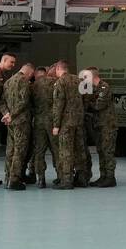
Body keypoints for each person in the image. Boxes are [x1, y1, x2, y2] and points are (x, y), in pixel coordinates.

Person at [49, 61, 84, 190]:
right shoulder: (78, 80)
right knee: (80, 149)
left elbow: (58, 105)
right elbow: (85, 99)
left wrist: (56, 125)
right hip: (79, 121)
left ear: (58, 68)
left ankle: (67, 180)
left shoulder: (60, 82)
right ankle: (82, 178)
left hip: (66, 123)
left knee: (66, 151)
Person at [1, 62, 35, 190]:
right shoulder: (24, 82)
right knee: (20, 150)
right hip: (21, 121)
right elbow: (24, 101)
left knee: (10, 149)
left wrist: (6, 114)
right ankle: (15, 180)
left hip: (10, 122)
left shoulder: (8, 82)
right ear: (30, 73)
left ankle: (8, 176)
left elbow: (2, 101)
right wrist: (13, 115)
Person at [86, 67, 118, 188]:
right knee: (101, 151)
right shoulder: (95, 89)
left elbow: (99, 105)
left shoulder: (104, 87)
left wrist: (87, 103)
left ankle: (110, 177)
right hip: (99, 125)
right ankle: (103, 176)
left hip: (108, 125)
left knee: (107, 151)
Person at [29, 66, 56, 189]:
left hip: (38, 122)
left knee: (39, 151)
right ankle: (61, 176)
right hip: (52, 122)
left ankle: (41, 179)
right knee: (57, 150)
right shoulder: (54, 83)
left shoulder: (32, 86)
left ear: (35, 75)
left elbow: (29, 104)